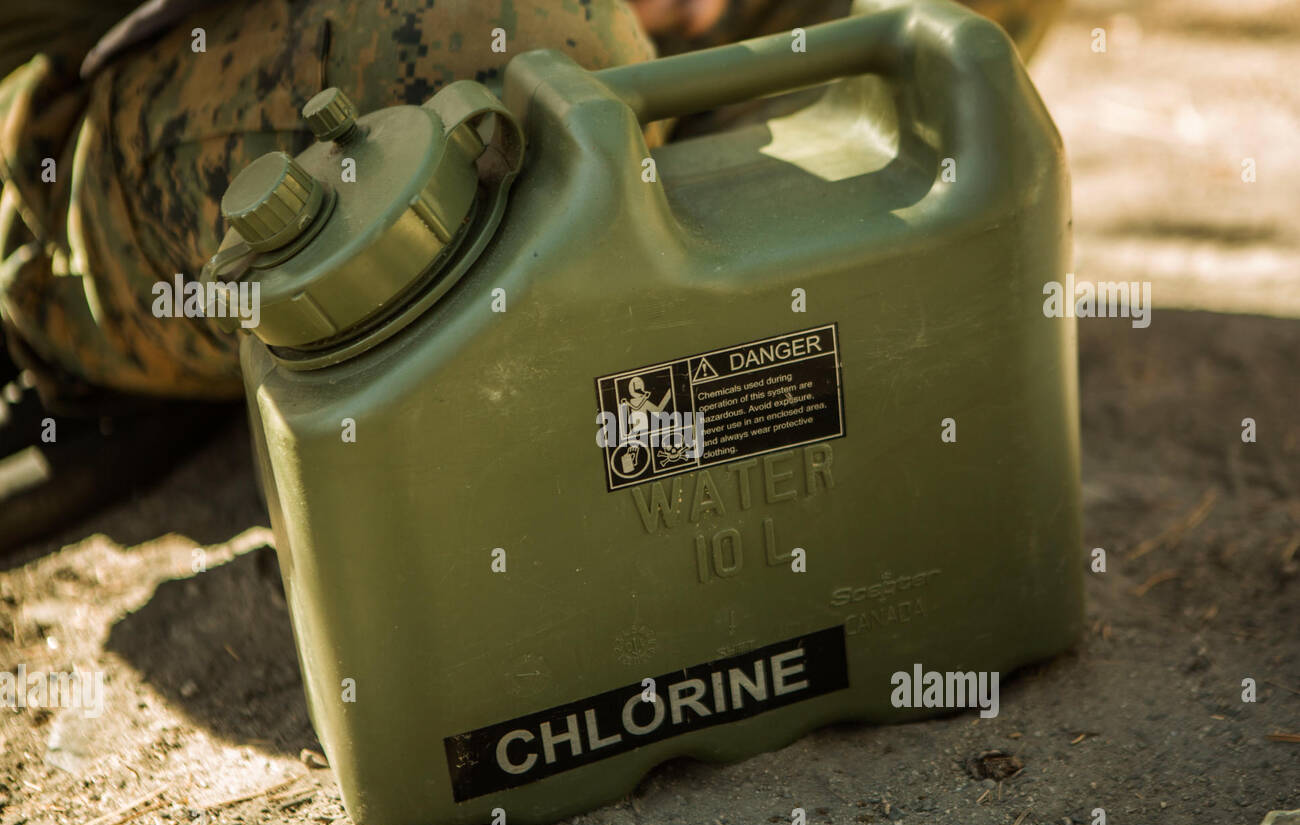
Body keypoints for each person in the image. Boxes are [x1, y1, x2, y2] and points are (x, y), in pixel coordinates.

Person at [0, 0, 1060, 551]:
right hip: (95, 104)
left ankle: (725, 229)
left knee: (939, 46)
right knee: (522, 41)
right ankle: (65, 331)